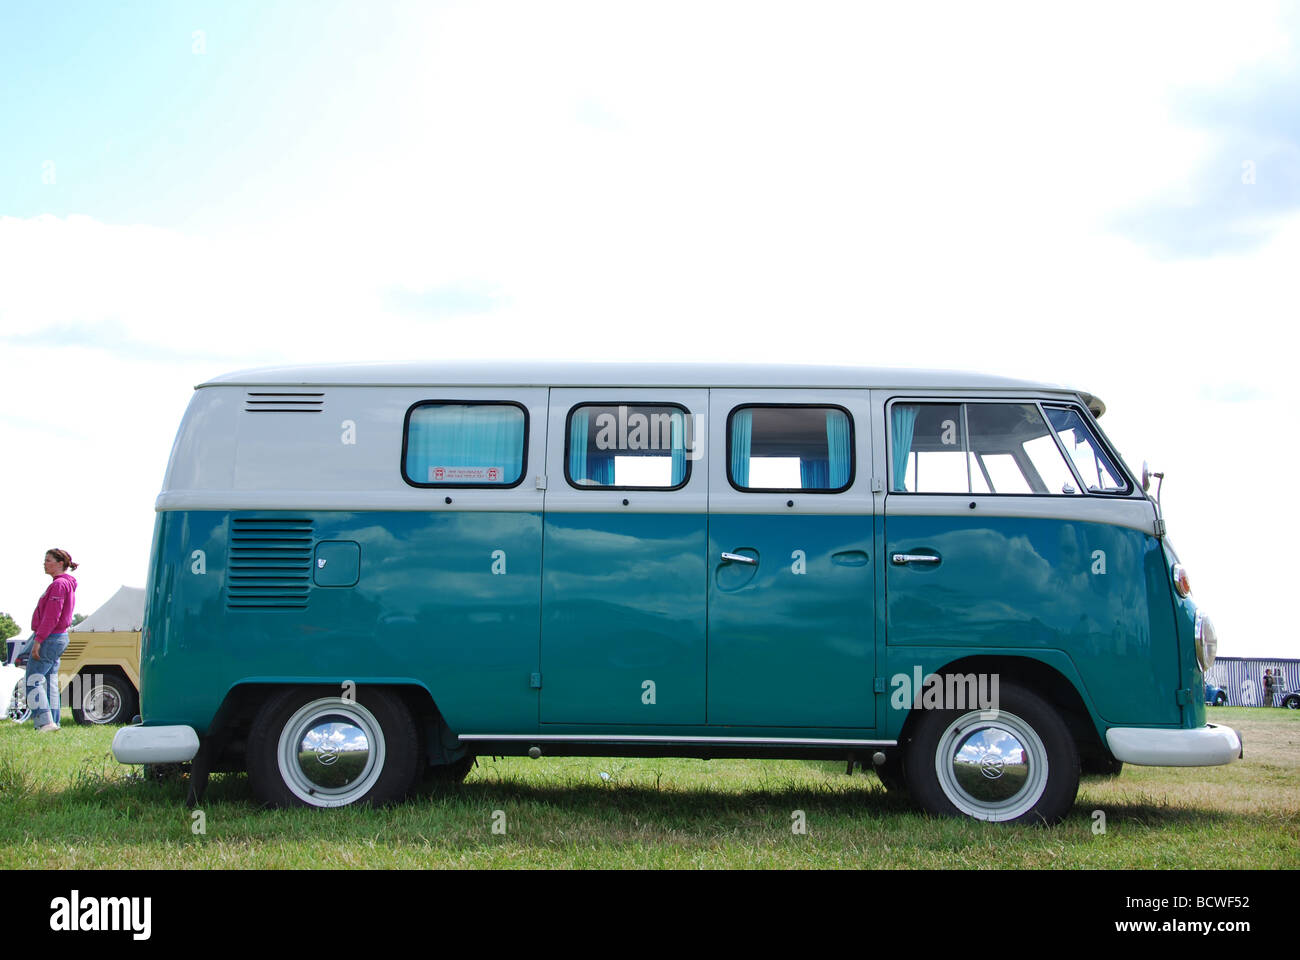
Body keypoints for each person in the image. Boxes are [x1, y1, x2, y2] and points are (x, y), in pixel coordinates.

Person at [27, 548, 79, 732]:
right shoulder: (65, 584)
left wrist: (38, 640)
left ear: (60, 563)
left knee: (33, 680)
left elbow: (51, 616)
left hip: (51, 637)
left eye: (48, 560)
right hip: (60, 636)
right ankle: (53, 722)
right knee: (49, 681)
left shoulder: (58, 585)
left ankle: (44, 722)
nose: (44, 563)